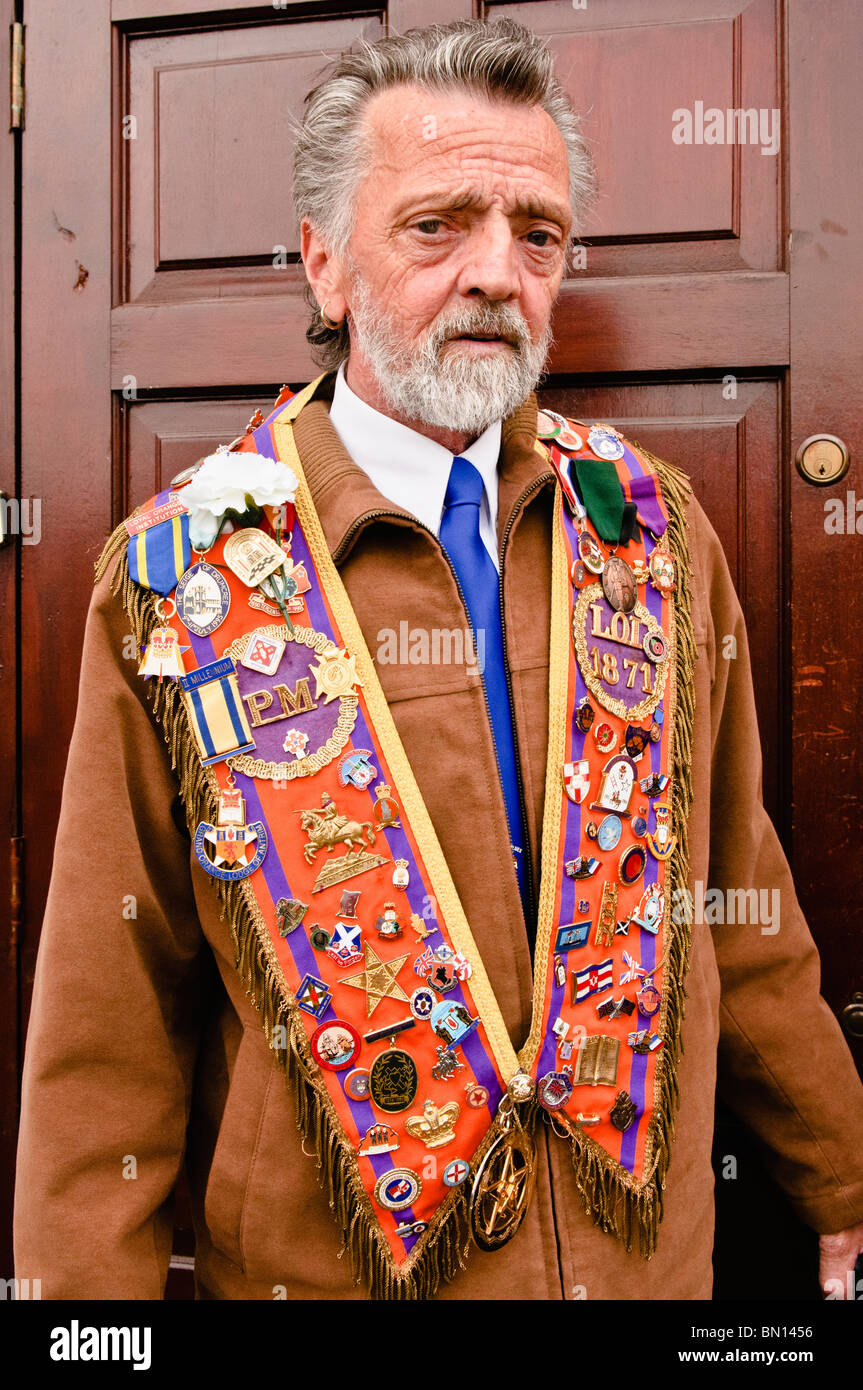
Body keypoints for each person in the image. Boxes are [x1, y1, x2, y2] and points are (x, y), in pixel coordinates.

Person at [14, 17, 863, 1301]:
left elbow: (736, 901)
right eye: (434, 225)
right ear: (323, 265)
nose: (494, 273)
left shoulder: (651, 528)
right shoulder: (182, 579)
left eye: (536, 234)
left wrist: (844, 1181)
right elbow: (107, 1019)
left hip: (648, 1275)